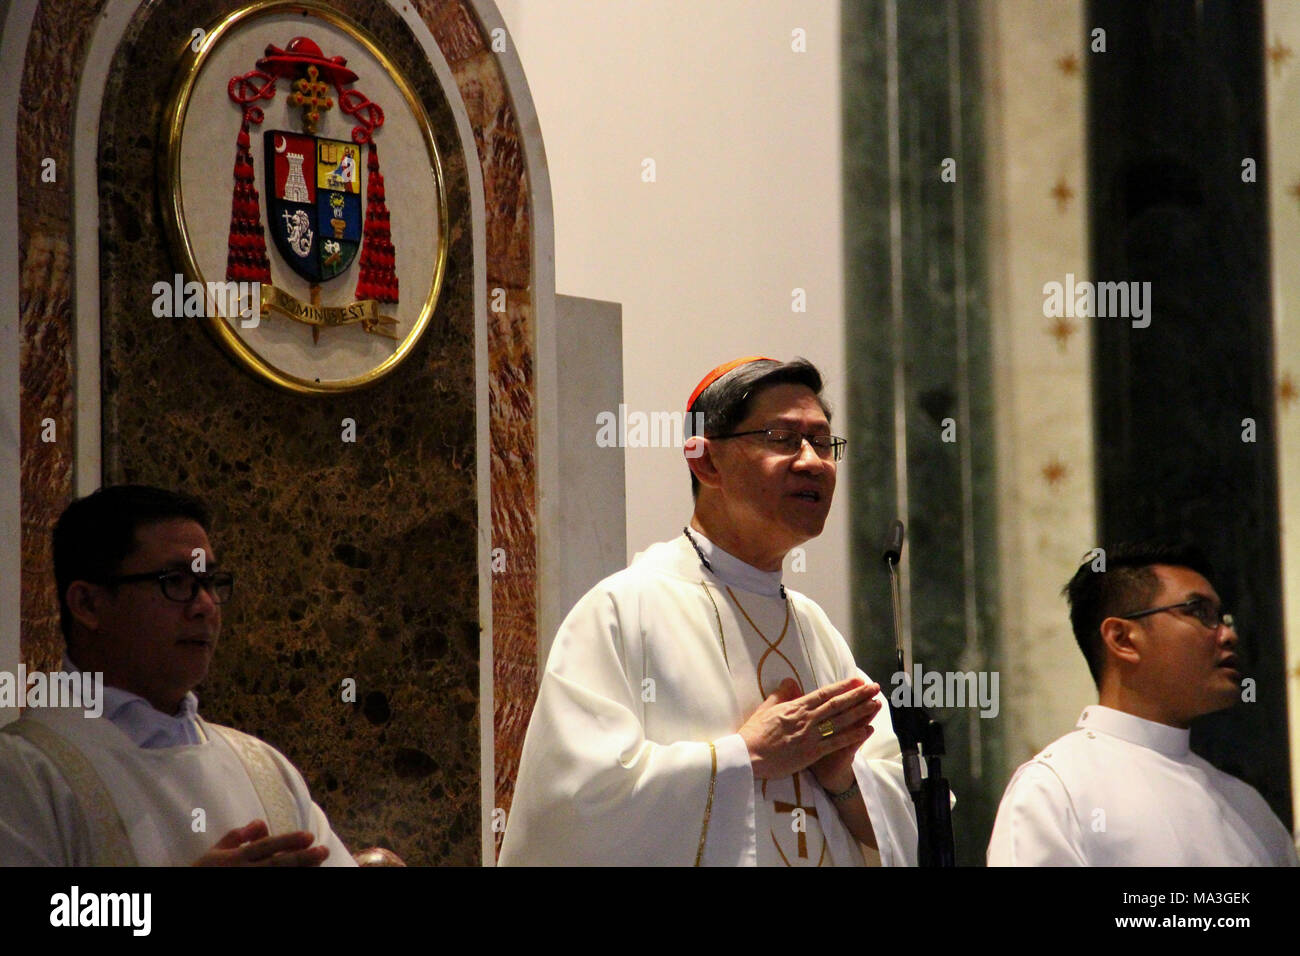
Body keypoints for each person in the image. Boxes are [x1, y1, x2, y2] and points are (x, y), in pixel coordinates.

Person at [500, 357, 919, 866]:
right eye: (783, 438)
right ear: (706, 462)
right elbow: (573, 810)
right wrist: (744, 758)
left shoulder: (815, 631)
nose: (813, 461)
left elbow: (911, 819)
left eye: (822, 442)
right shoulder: (624, 611)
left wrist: (843, 779)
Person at [0, 485, 356, 866]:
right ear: (87, 604)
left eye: (209, 582)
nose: (205, 606)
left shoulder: (265, 770)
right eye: (175, 581)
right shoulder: (23, 773)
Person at [987, 541, 1297, 866]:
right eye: (1199, 612)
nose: (1227, 635)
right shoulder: (1055, 789)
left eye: (1223, 618)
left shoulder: (1249, 808)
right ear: (1122, 639)